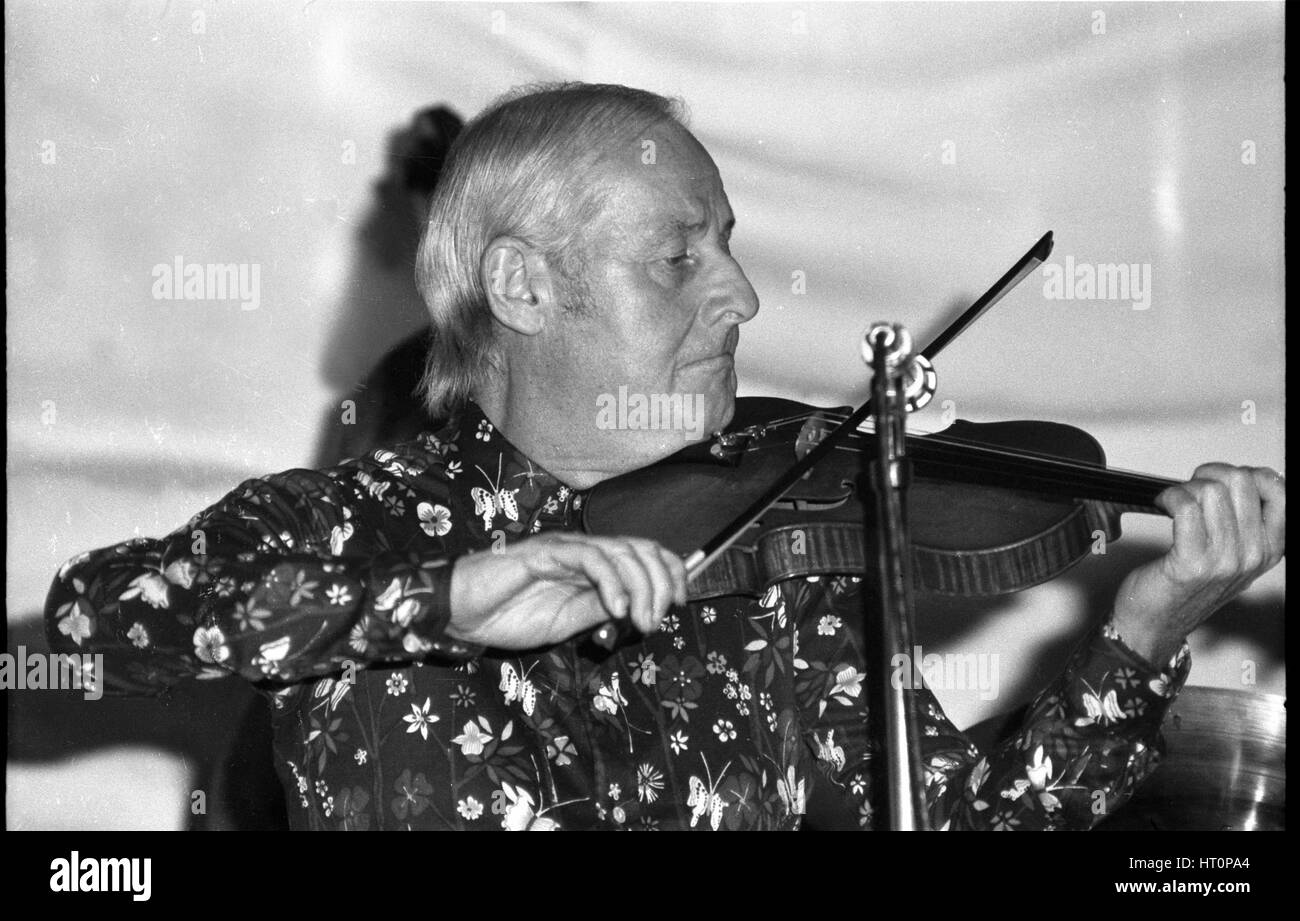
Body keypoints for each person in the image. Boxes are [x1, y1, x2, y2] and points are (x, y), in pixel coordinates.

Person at [45, 82, 1285, 831]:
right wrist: (439, 604)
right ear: (524, 287)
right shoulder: (366, 523)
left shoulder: (786, 561)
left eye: (730, 248)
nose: (742, 297)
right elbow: (91, 625)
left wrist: (1146, 633)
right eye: (678, 257)